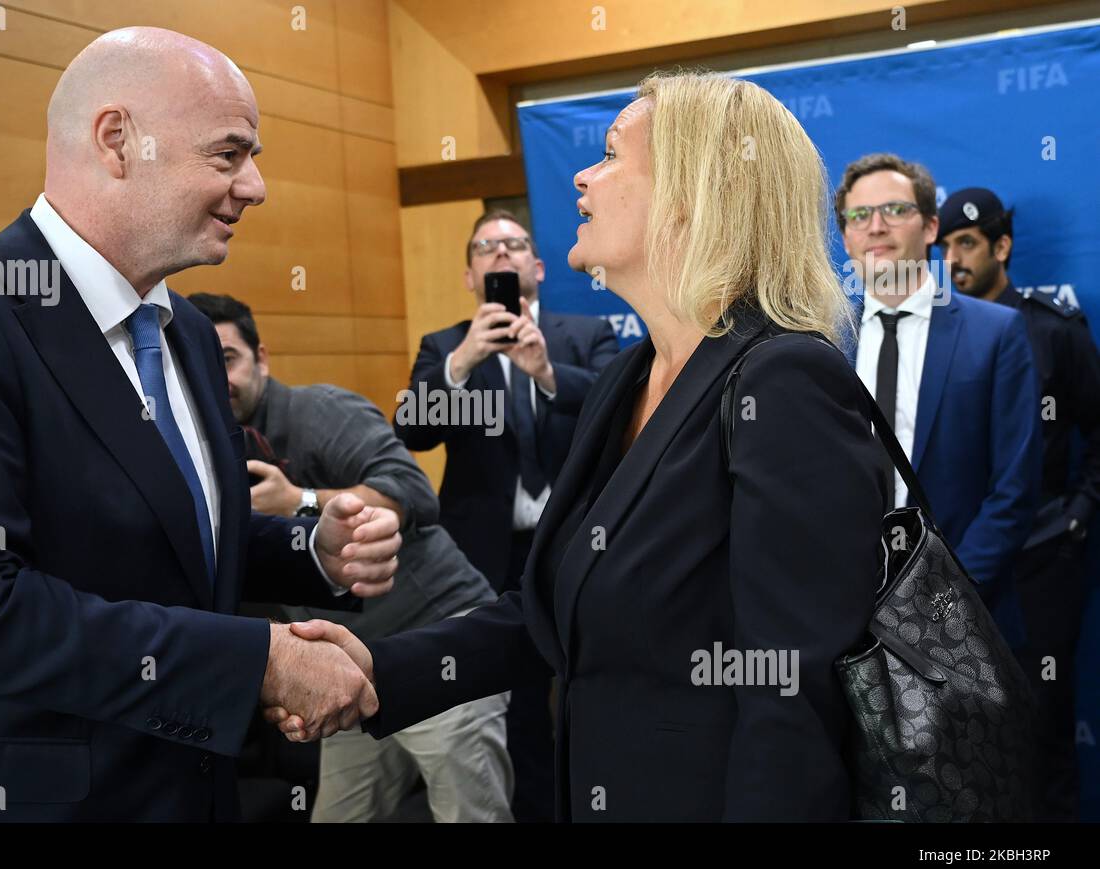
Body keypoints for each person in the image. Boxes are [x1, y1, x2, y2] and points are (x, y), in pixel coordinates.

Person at [270, 71, 888, 822]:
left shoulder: (786, 379)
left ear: (693, 194)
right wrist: (377, 668)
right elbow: (548, 614)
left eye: (611, 154)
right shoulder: (628, 376)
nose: (582, 176)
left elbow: (792, 695)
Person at [0, 27, 398, 823]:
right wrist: (258, 662)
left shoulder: (189, 335)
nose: (257, 185)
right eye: (229, 155)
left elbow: (159, 537)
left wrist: (311, 550)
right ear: (118, 141)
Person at [191, 293, 513, 822]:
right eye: (202, 362)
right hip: (351, 662)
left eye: (228, 358)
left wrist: (299, 501)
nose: (217, 376)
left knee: (471, 815)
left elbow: (414, 493)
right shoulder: (203, 444)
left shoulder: (321, 410)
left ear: (261, 359)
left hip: (439, 636)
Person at [395, 209, 618, 822]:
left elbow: (620, 411)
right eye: (485, 248)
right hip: (483, 557)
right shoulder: (444, 346)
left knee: (588, 691)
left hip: (577, 548)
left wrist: (545, 372)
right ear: (470, 275)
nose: (501, 254)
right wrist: (462, 362)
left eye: (514, 244)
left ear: (538, 268)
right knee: (510, 705)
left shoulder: (586, 333)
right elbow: (411, 429)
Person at [938, 187, 1100, 821]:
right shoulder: (929, 339)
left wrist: (1078, 515)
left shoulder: (1051, 332)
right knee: (958, 740)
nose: (954, 258)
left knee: (1043, 728)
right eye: (944, 245)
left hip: (1040, 561)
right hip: (953, 569)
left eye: (968, 244)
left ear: (1001, 247)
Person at [836, 156, 1042, 644]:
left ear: (930, 226)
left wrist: (943, 602)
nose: (876, 227)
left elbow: (1014, 491)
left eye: (894, 209)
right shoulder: (822, 341)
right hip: (842, 619)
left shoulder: (996, 333)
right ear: (845, 236)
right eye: (859, 216)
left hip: (962, 619)